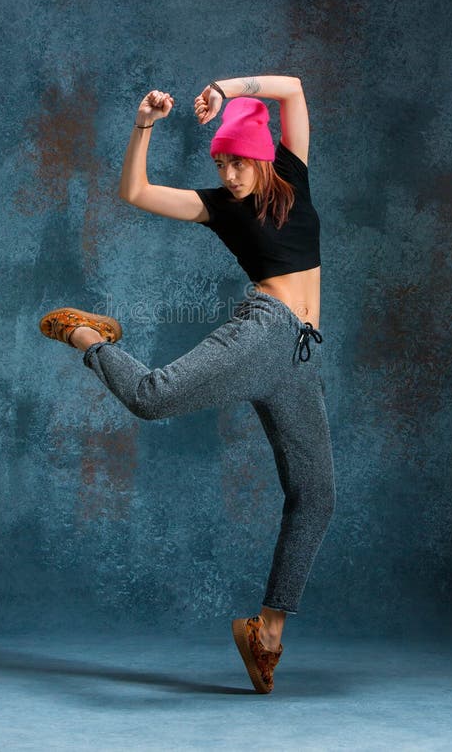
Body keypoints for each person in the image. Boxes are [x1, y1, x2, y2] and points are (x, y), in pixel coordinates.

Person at [39, 75, 336, 694]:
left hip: (302, 354)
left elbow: (293, 91)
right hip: (264, 331)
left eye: (237, 162)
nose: (228, 174)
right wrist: (143, 126)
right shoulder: (221, 206)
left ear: (262, 156)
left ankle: (267, 633)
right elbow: (136, 191)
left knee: (315, 495)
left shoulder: (293, 173)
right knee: (152, 398)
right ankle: (85, 335)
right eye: (220, 163)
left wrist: (224, 89)